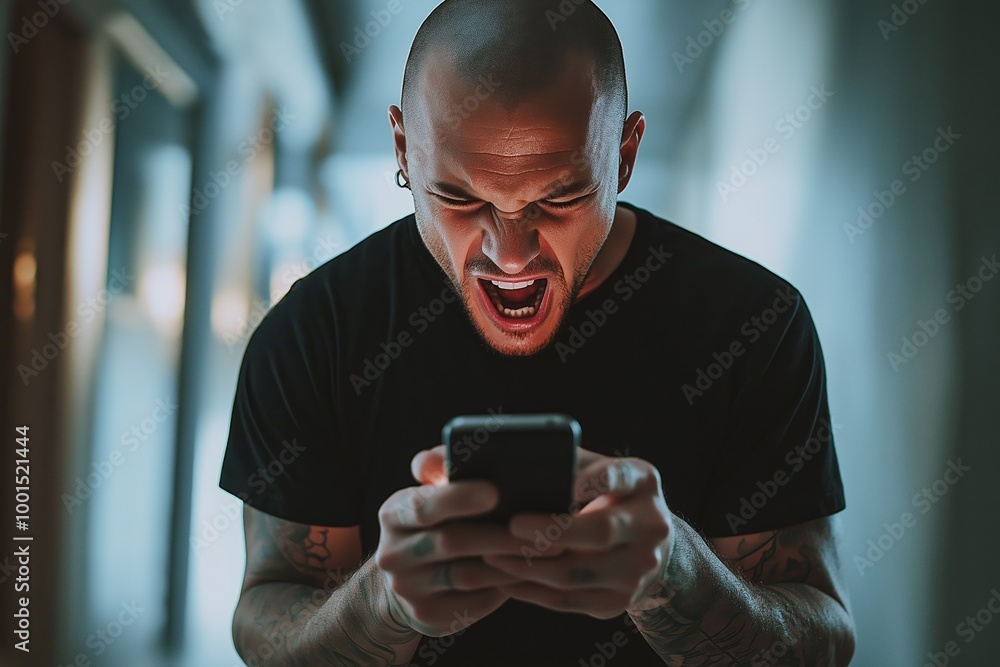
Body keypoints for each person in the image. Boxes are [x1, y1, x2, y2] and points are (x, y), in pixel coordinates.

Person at [219, 1, 855, 664]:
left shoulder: (756, 327)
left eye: (559, 198)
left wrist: (676, 577)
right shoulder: (311, 334)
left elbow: (824, 641)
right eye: (462, 199)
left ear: (625, 155)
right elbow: (267, 620)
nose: (512, 255)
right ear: (404, 149)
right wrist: (381, 605)